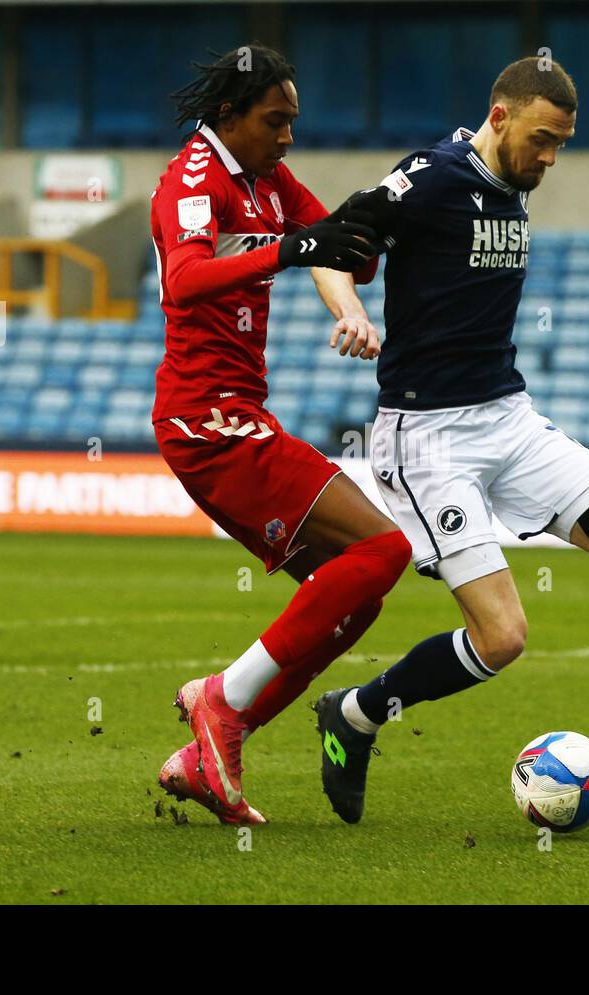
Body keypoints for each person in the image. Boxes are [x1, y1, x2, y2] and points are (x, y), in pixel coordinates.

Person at [314, 57, 589, 825]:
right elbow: (336, 241)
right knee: (502, 638)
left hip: (509, 418)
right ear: (499, 116)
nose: (550, 158)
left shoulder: (513, 186)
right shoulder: (431, 176)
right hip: (428, 438)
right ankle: (357, 713)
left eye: (561, 145)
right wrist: (350, 310)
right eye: (541, 140)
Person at [150, 45, 412, 824]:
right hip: (208, 420)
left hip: (239, 414)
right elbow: (185, 277)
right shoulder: (193, 178)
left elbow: (336, 245)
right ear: (230, 116)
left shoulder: (264, 180)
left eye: (294, 121)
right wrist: (296, 247)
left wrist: (369, 241)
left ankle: (212, 746)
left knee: (352, 599)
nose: (289, 135)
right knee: (385, 550)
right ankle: (221, 705)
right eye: (277, 121)